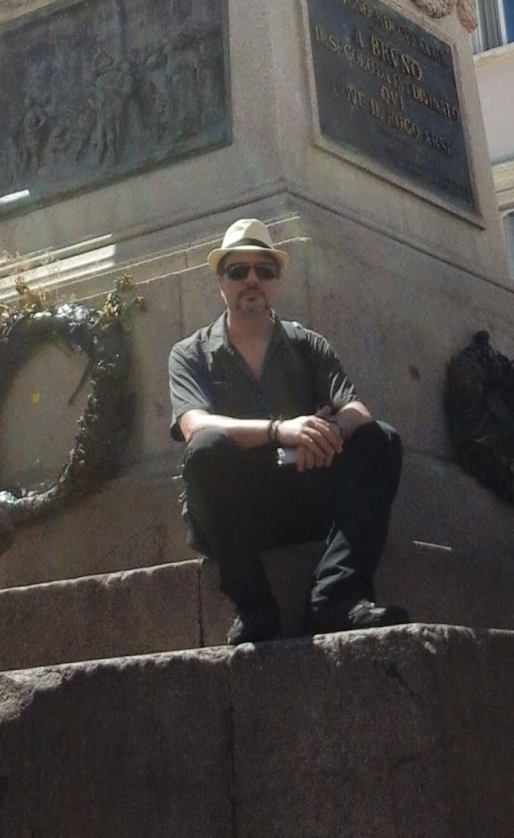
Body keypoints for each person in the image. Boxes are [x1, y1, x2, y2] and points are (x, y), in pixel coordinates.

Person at [168, 217, 407, 644]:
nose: (252, 280)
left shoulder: (307, 344)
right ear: (220, 282)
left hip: (305, 494)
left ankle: (335, 597)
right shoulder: (190, 354)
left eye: (264, 270)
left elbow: (357, 410)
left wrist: (324, 431)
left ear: (277, 281)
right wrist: (281, 430)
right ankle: (255, 610)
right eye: (238, 271)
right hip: (236, 514)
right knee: (205, 449)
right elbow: (194, 424)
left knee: (380, 439)